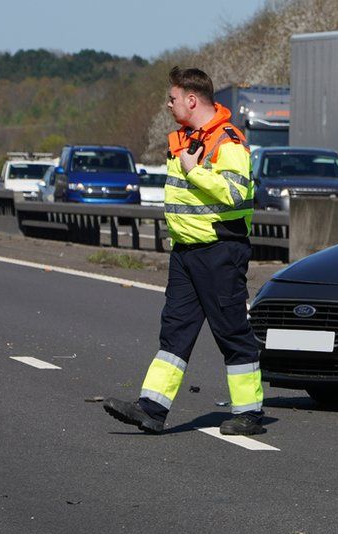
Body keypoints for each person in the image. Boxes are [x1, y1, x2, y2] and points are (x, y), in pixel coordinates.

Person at [103, 67, 264, 436]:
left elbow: (238, 194)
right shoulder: (186, 139)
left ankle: (250, 412)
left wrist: (194, 172)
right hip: (186, 252)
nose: (169, 104)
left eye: (173, 98)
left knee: (231, 331)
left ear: (192, 99)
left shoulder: (228, 140)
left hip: (220, 251)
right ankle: (152, 409)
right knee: (174, 332)